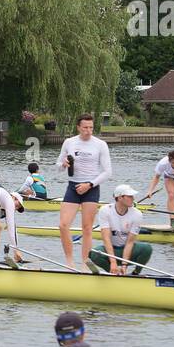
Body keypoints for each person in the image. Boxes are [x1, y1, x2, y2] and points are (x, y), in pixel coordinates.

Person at [55, 114, 112, 268]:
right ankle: (69, 261)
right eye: (85, 127)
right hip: (73, 186)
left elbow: (108, 172)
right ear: (78, 127)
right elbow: (58, 166)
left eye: (91, 128)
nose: (88, 131)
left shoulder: (100, 144)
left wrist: (90, 184)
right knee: (63, 225)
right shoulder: (69, 142)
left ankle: (85, 263)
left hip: (91, 188)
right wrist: (64, 164)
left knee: (87, 227)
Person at [89, 185, 151, 275]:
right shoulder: (105, 210)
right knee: (93, 253)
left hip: (127, 250)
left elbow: (130, 242)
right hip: (111, 249)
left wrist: (124, 265)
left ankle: (135, 273)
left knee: (147, 249)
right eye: (130, 196)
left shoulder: (137, 214)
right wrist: (113, 262)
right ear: (120, 198)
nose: (133, 199)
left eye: (132, 196)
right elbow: (106, 239)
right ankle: (114, 273)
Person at [146, 150, 174, 228]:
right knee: (171, 195)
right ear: (169, 161)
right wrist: (150, 191)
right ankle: (172, 221)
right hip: (168, 177)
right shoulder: (163, 163)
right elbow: (156, 177)